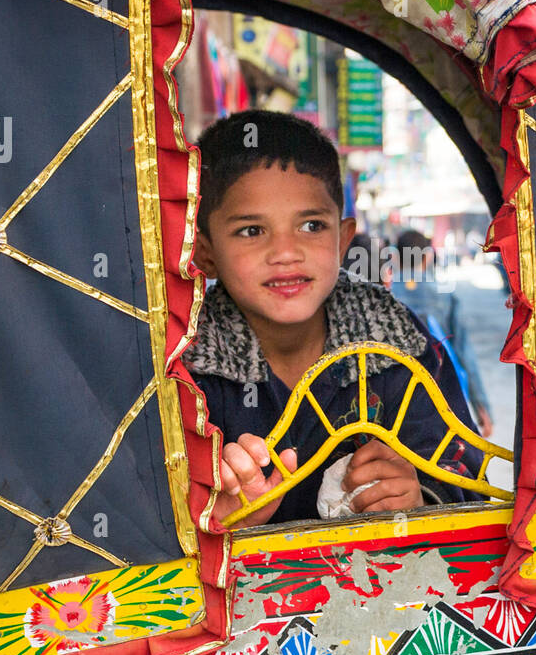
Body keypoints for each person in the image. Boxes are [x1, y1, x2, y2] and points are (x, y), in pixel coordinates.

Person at [183, 110, 482, 528]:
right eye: (252, 231)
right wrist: (210, 522)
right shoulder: (184, 362)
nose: (285, 252)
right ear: (205, 253)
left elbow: (470, 480)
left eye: (311, 225)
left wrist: (418, 497)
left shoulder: (395, 341)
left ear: (342, 241)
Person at [390, 230, 495, 438]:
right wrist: (481, 406)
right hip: (441, 396)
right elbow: (465, 354)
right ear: (428, 257)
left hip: (394, 401)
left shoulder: (383, 295)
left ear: (394, 256)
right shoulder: (445, 295)